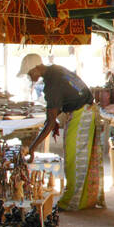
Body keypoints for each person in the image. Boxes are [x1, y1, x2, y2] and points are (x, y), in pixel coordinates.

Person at [17, 53, 103, 210]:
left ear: (36, 68)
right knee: (78, 157)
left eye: (30, 73)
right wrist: (52, 119)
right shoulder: (55, 70)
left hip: (82, 114)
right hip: (83, 110)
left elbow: (50, 122)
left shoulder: (52, 85)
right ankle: (84, 199)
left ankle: (72, 202)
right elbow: (58, 108)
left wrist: (32, 148)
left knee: (74, 160)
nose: (30, 77)